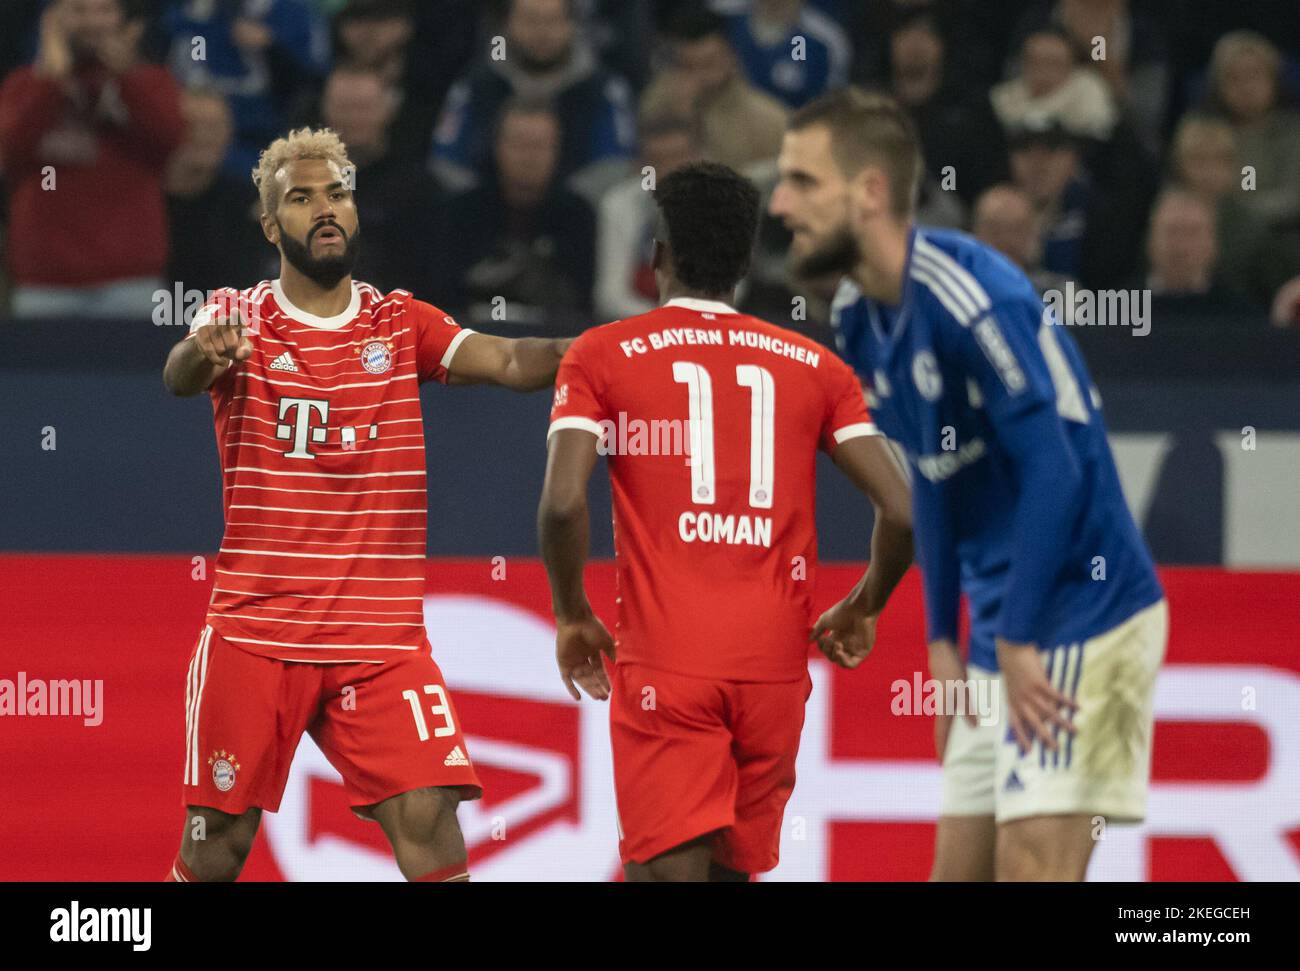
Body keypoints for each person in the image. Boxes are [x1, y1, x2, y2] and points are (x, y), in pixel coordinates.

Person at [769, 88, 1167, 881]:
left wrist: (1015, 637)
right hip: (996, 635)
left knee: (1034, 871)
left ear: (871, 192)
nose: (780, 203)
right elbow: (934, 478)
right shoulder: (856, 315)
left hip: (1082, 617)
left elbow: (1055, 471)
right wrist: (945, 644)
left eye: (802, 181)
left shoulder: (973, 296)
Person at [160, 126, 571, 883]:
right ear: (269, 224)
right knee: (217, 844)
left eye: (338, 193)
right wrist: (201, 354)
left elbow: (511, 359)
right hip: (258, 631)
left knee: (431, 821)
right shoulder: (236, 316)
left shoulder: (400, 322)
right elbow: (181, 370)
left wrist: (606, 352)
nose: (325, 208)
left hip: (378, 642)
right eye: (302, 196)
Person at [538, 161, 914, 881]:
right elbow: (900, 510)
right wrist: (864, 604)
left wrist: (570, 612)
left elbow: (561, 502)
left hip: (668, 663)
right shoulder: (817, 365)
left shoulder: (601, 353)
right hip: (774, 670)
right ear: (745, 264)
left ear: (656, 257)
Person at [0, 0, 185, 318]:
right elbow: (12, 148)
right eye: (79, 11)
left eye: (103, 11)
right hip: (45, 283)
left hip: (131, 281)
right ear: (54, 21)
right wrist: (51, 77)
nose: (92, 23)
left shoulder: (151, 83)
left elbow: (168, 140)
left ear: (122, 20)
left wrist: (127, 77)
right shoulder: (23, 86)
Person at [639, 7, 788, 173]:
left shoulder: (767, 120)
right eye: (689, 66)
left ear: (729, 57)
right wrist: (680, 116)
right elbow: (647, 171)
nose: (699, 77)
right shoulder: (657, 102)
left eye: (708, 64)